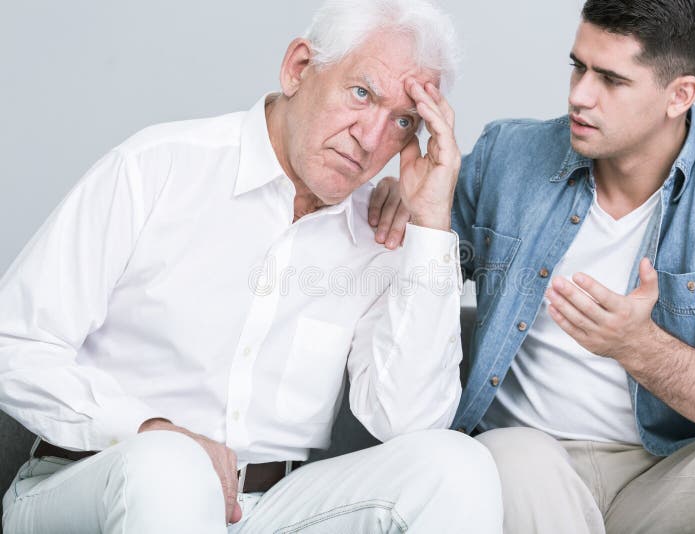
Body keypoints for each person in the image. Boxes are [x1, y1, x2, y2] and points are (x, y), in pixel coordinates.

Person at [0, 1, 505, 532]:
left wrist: (430, 225)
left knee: (456, 465)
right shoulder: (156, 168)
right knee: (172, 467)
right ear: (299, 68)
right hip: (94, 480)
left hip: (267, 507)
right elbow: (15, 342)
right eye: (362, 93)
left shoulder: (383, 234)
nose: (371, 138)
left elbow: (410, 423)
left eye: (402, 120)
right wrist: (151, 429)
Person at [370, 0, 695, 531]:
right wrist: (422, 214)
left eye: (612, 81)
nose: (579, 95)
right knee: (511, 457)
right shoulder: (508, 156)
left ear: (680, 95)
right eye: (579, 67)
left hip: (666, 472)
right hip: (528, 460)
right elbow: (403, 288)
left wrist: (636, 346)